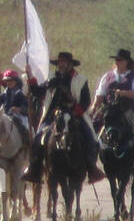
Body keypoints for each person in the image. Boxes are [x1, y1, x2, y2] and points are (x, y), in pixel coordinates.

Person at [26, 52, 105, 184]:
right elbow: (38, 92)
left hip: (75, 115)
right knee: (37, 139)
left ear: (70, 64)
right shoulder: (51, 79)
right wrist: (30, 76)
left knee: (92, 139)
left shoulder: (80, 80)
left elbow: (85, 102)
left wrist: (74, 106)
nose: (61, 64)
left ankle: (92, 168)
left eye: (64, 62)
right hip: (52, 116)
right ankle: (35, 170)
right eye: (60, 62)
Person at [89, 48, 134, 161]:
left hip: (127, 107)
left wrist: (122, 93)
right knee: (93, 125)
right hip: (109, 107)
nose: (117, 62)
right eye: (116, 60)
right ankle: (90, 157)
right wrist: (94, 107)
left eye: (120, 60)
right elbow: (100, 93)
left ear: (127, 62)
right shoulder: (107, 76)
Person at [0, 69, 32, 144]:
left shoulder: (20, 94)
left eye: (12, 81)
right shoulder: (3, 95)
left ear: (16, 81)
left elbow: (27, 108)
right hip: (6, 116)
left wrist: (19, 109)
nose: (10, 83)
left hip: (19, 117)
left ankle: (28, 144)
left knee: (26, 128)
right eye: (7, 81)